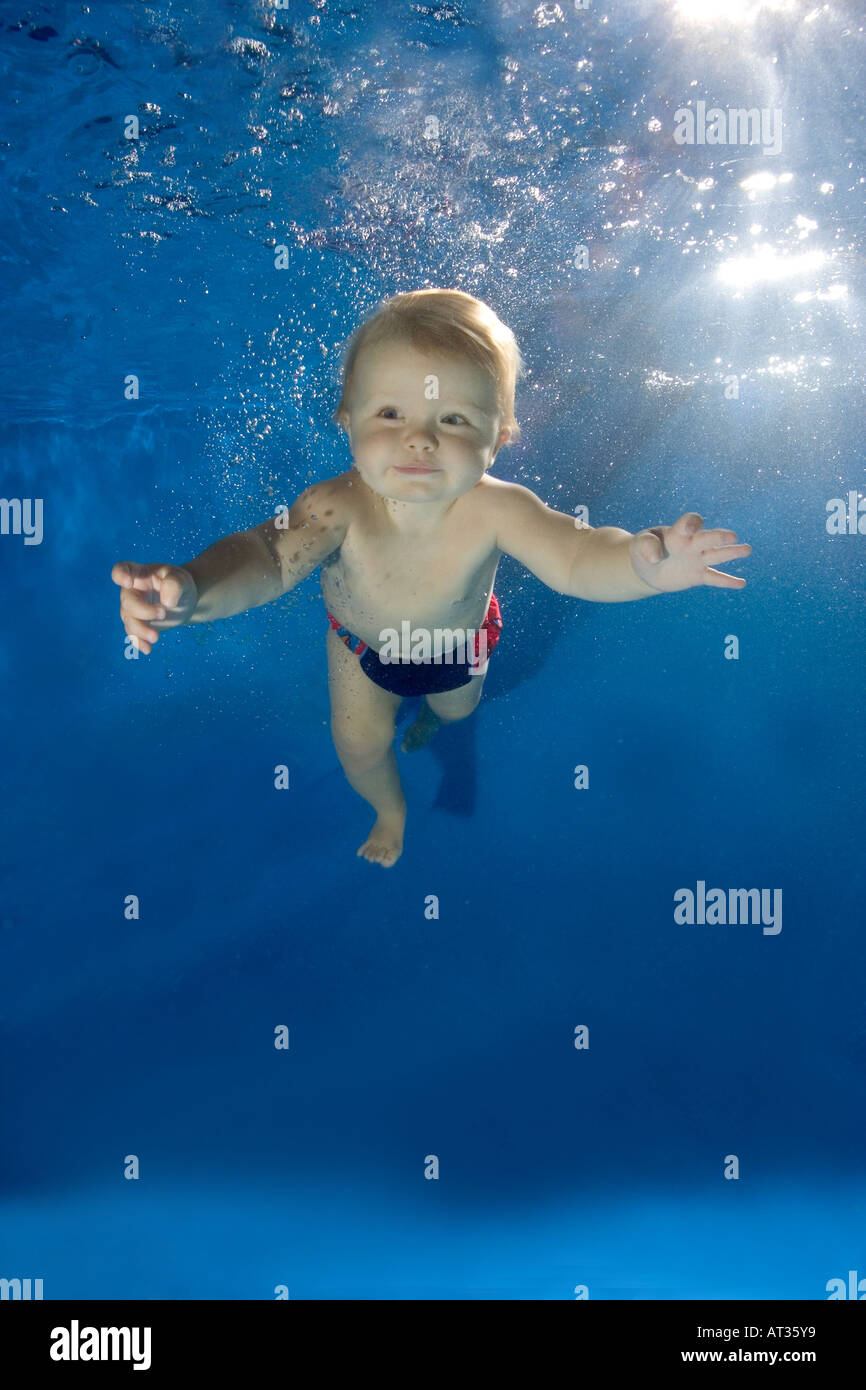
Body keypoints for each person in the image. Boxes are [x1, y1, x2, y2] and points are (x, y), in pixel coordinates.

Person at [111, 289, 751, 868]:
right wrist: (192, 591)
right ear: (348, 419)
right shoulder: (338, 506)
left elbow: (578, 558)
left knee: (453, 710)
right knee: (359, 748)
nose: (418, 441)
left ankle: (432, 725)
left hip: (460, 650)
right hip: (358, 651)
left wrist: (646, 565)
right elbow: (269, 559)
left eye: (452, 420)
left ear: (497, 440)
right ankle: (391, 810)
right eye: (391, 414)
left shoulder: (501, 508)